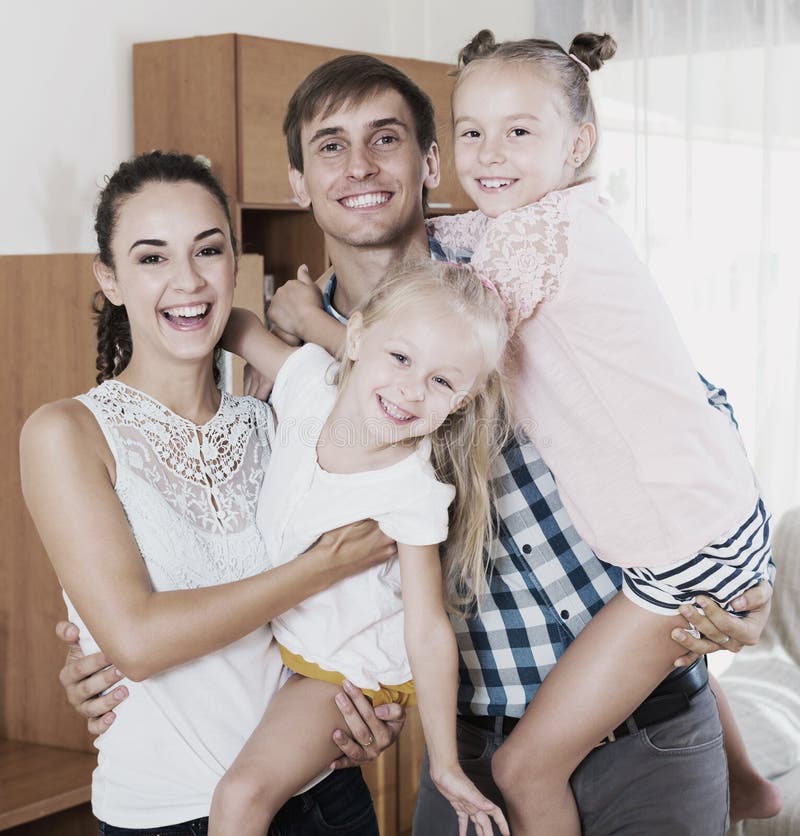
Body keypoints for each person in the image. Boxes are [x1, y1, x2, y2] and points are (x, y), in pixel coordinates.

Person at [55, 55, 777, 835]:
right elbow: (252, 564)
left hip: (650, 729)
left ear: (431, 161)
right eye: (330, 146)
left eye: (385, 138)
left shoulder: (511, 267)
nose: (359, 166)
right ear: (298, 181)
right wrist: (103, 659)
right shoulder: (279, 383)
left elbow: (691, 417)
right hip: (467, 744)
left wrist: (751, 578)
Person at [20, 150, 407, 836]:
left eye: (208, 250)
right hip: (167, 816)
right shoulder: (68, 433)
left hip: (325, 794)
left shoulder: (275, 423)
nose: (187, 280)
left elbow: (349, 606)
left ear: (235, 263)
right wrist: (319, 566)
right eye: (151, 258)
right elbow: (137, 641)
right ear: (108, 279)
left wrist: (374, 703)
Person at [207, 260, 511, 836]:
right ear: (356, 335)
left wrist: (444, 762)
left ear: (462, 402)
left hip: (344, 669)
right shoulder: (307, 382)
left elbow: (426, 628)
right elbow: (240, 326)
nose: (410, 389)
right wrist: (214, 312)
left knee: (239, 798)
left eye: (442, 382)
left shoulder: (413, 492)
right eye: (401, 357)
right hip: (283, 633)